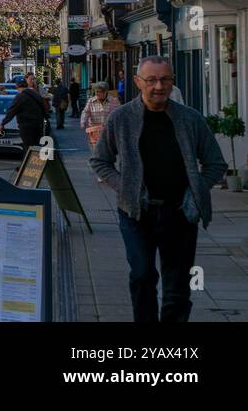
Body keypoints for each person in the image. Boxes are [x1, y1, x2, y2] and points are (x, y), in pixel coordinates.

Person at [88, 55, 226, 324]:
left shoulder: (190, 118)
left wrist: (196, 192)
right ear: (138, 82)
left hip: (180, 213)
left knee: (177, 285)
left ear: (173, 82)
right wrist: (125, 187)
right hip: (136, 212)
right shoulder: (122, 118)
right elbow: (100, 161)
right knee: (142, 275)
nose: (159, 86)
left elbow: (215, 163)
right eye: (151, 80)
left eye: (165, 79)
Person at [0, 75, 50, 155]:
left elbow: (12, 111)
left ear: (18, 87)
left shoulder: (20, 96)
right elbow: (43, 108)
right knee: (35, 146)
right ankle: (35, 165)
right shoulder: (36, 94)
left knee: (28, 146)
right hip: (38, 124)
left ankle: (27, 165)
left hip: (26, 126)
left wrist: (3, 123)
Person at [81, 81, 118, 147]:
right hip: (94, 132)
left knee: (108, 152)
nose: (97, 94)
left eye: (99, 92)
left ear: (106, 92)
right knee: (96, 152)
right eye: (96, 92)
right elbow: (86, 112)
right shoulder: (91, 101)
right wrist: (83, 122)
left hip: (108, 132)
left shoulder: (114, 101)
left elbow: (119, 115)